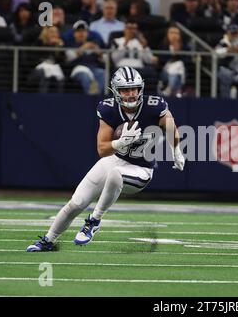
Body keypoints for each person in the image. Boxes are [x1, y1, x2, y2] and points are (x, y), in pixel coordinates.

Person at [26, 66, 185, 252]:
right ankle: (48, 240)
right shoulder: (108, 109)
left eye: (134, 88)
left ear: (141, 88)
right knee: (76, 202)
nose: (131, 93)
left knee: (116, 175)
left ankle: (94, 220)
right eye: (125, 89)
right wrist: (120, 143)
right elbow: (102, 149)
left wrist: (177, 151)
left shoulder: (154, 105)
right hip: (115, 159)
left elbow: (171, 126)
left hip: (141, 169)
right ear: (116, 91)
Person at [111, 20, 158, 93]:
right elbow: (114, 59)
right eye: (129, 28)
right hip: (122, 68)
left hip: (139, 70)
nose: (131, 31)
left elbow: (149, 60)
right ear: (124, 29)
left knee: (151, 71)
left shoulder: (140, 43)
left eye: (134, 28)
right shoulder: (117, 41)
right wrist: (125, 43)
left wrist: (144, 46)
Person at [65, 20, 105, 95]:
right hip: (79, 68)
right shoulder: (71, 44)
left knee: (101, 73)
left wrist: (99, 52)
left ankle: (95, 96)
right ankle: (90, 98)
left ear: (87, 33)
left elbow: (105, 60)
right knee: (84, 75)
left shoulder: (93, 44)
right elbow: (69, 58)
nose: (81, 33)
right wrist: (83, 48)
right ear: (74, 34)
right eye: (79, 31)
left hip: (93, 68)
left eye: (84, 31)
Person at [28, 26, 65, 93]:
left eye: (56, 32)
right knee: (45, 74)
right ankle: (43, 99)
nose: (54, 34)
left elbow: (63, 62)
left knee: (60, 78)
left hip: (54, 70)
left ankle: (59, 100)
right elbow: (33, 59)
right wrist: (50, 45)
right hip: (38, 70)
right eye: (51, 32)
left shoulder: (59, 46)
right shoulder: (39, 43)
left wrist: (59, 48)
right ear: (46, 33)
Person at [158, 25, 190, 97]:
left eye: (176, 33)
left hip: (181, 73)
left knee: (179, 64)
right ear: (167, 34)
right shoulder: (162, 46)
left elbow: (188, 62)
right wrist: (174, 56)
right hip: (165, 73)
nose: (174, 35)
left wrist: (178, 50)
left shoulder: (185, 47)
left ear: (180, 36)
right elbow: (161, 61)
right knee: (178, 63)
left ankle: (169, 89)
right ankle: (179, 91)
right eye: (172, 33)